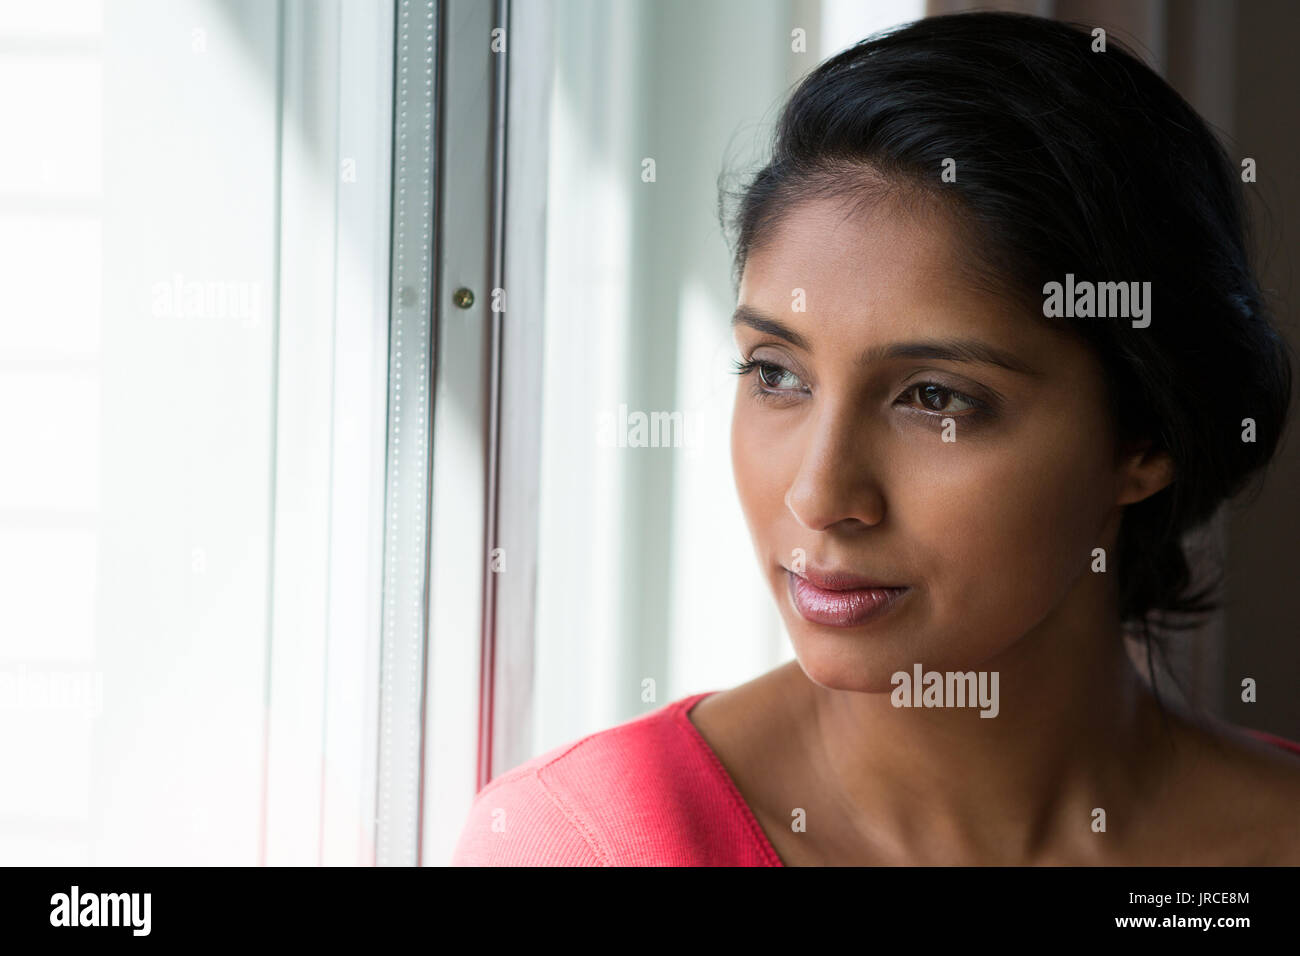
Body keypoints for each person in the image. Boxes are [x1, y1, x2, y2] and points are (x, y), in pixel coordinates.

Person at [452, 10, 1300, 866]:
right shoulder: (588, 842)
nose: (817, 497)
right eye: (776, 373)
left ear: (1147, 440)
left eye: (935, 397)